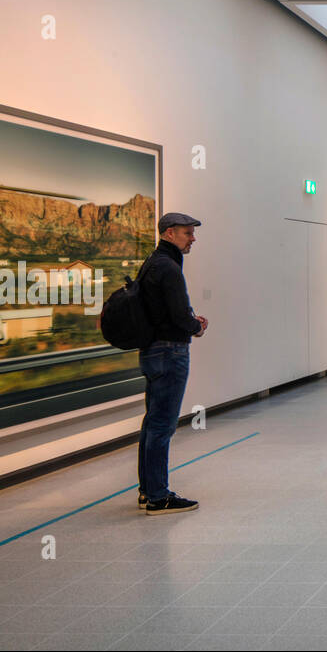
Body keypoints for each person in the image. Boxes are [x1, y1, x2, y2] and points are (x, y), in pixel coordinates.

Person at [136, 212, 207, 515]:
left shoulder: (153, 263)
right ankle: (158, 497)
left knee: (152, 423)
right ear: (168, 234)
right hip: (170, 353)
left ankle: (148, 490)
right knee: (162, 426)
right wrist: (196, 326)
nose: (193, 238)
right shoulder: (169, 268)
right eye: (187, 233)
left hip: (153, 351)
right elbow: (178, 316)